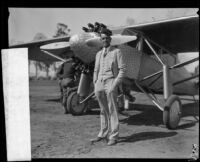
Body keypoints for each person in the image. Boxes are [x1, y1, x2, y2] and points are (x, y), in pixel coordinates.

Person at [90, 28, 126, 146]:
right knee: (102, 110)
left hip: (111, 82)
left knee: (112, 109)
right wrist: (95, 82)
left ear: (110, 39)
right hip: (99, 83)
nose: (105, 40)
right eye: (103, 38)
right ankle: (103, 133)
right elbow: (96, 69)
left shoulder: (117, 52)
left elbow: (122, 70)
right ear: (101, 40)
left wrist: (115, 84)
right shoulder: (98, 54)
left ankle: (114, 136)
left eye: (106, 38)